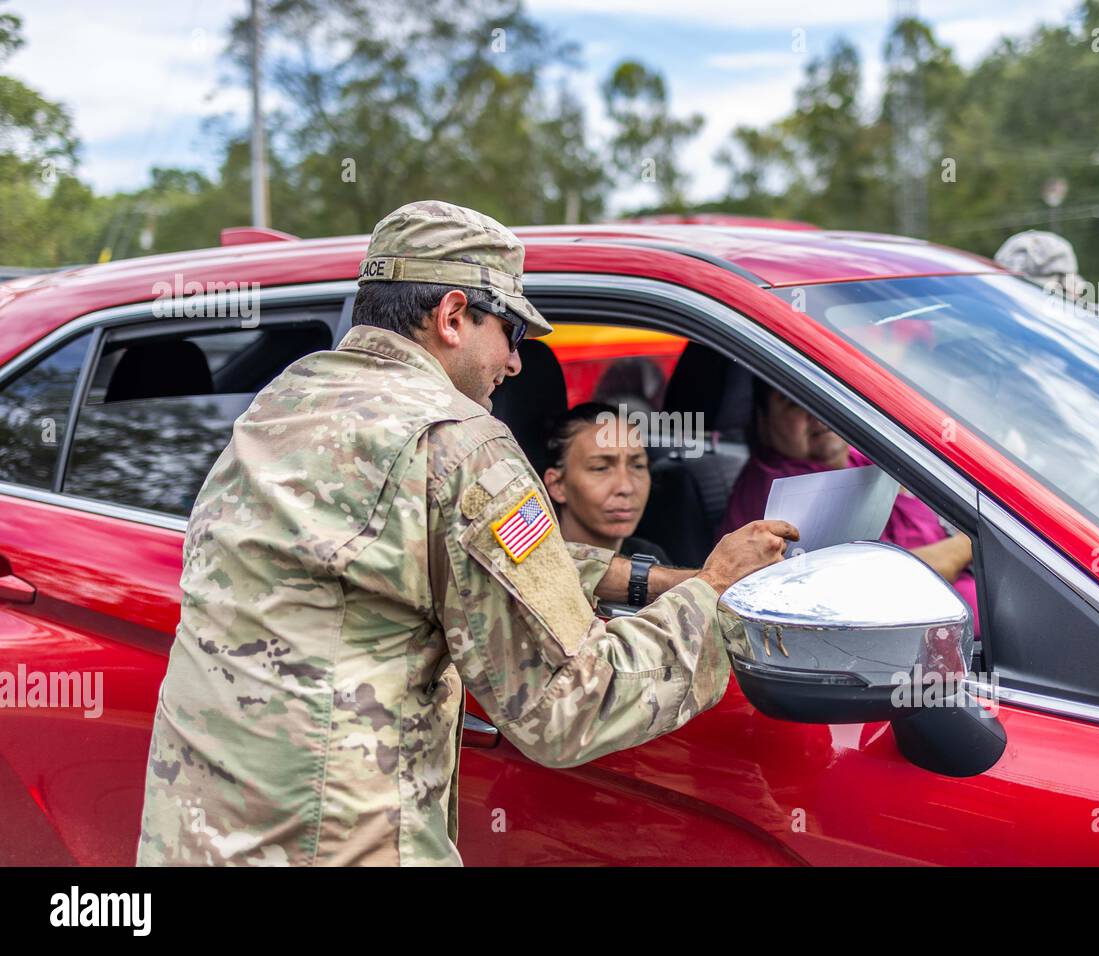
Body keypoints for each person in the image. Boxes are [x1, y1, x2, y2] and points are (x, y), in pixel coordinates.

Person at [136, 200, 797, 867]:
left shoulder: (287, 399)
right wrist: (712, 597)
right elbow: (566, 703)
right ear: (453, 316)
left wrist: (645, 578)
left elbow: (425, 548)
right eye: (510, 332)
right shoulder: (459, 442)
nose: (514, 364)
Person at [719, 378, 979, 635]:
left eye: (826, 395)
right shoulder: (784, 494)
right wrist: (972, 541)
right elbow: (892, 582)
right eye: (794, 401)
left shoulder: (858, 456)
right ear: (762, 420)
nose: (817, 412)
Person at [542, 402, 672, 565]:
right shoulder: (536, 568)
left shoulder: (651, 558)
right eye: (601, 468)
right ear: (557, 485)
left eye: (638, 466)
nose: (626, 487)